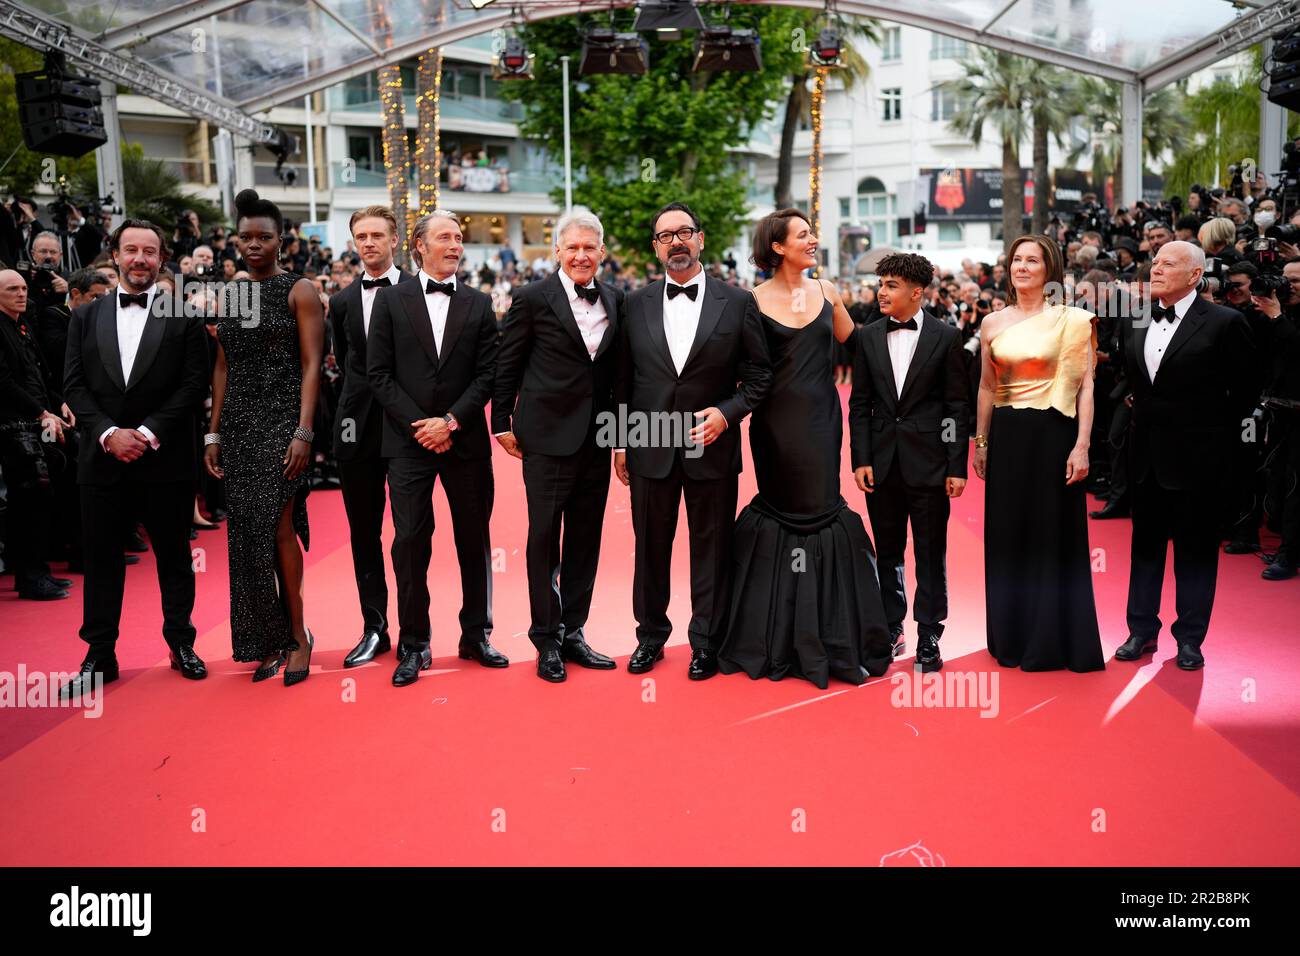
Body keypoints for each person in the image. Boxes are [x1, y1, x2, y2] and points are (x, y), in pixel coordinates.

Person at [715, 209, 891, 687]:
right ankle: (778, 639)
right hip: (774, 425)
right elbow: (745, 370)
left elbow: (862, 350)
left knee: (822, 506)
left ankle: (830, 637)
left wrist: (911, 326)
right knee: (783, 507)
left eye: (812, 233)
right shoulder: (750, 301)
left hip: (821, 422)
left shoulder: (828, 292)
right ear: (777, 246)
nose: (813, 239)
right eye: (803, 234)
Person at [614, 202, 772, 680]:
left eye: (685, 232)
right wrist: (621, 442)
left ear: (701, 239)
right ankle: (650, 637)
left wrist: (727, 416)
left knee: (712, 548)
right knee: (651, 548)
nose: (676, 241)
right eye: (666, 235)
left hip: (712, 445)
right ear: (656, 248)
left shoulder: (739, 301)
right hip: (649, 444)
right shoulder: (633, 303)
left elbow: (761, 376)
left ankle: (706, 641)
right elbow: (624, 378)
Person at [58, 220, 210, 697]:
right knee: (101, 560)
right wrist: (107, 434)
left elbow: (193, 386)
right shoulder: (85, 316)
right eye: (131, 250)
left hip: (163, 459)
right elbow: (73, 385)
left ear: (161, 258)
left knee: (174, 557)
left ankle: (181, 643)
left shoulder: (182, 316)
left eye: (149, 251)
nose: (140, 258)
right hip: (101, 460)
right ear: (115, 255)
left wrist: (145, 433)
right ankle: (99, 654)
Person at [367, 210, 503, 687]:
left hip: (464, 441)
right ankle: (414, 643)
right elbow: (377, 373)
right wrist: (418, 425)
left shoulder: (480, 303)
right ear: (419, 246)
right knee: (408, 543)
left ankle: (476, 635)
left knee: (474, 540)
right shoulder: (389, 300)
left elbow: (489, 374)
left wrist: (450, 421)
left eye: (459, 238)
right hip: (407, 444)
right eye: (445, 237)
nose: (455, 245)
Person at [493, 207, 621, 683]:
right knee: (544, 539)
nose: (581, 255)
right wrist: (500, 420)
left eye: (589, 247)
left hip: (597, 440)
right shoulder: (532, 298)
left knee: (586, 539)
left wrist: (623, 438)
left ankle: (574, 631)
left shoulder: (616, 299)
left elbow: (619, 376)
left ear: (602, 253)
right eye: (573, 248)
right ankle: (545, 638)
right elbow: (509, 362)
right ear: (558, 253)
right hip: (544, 438)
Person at [1115, 241, 1256, 670]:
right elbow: (1134, 379)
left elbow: (1245, 392)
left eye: (1168, 264)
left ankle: (1190, 639)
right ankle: (1140, 630)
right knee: (1145, 549)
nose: (1156, 269)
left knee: (1195, 553)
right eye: (1154, 262)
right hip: (1145, 458)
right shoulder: (1134, 317)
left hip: (1200, 461)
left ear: (1195, 275)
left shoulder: (1225, 323)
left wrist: (1209, 435)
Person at [203, 190, 324, 685]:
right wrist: (213, 431)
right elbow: (223, 365)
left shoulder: (300, 290)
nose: (254, 245)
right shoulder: (231, 292)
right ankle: (268, 637)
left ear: (281, 240)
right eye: (246, 237)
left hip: (282, 423)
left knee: (278, 529)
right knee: (248, 535)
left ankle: (298, 636)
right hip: (239, 425)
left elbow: (313, 364)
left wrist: (303, 430)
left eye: (264, 237)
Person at [973, 234, 1103, 672]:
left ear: (1050, 271)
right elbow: (988, 387)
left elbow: (1086, 389)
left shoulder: (1073, 319)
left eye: (1032, 260)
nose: (1022, 267)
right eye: (1016, 260)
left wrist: (1082, 445)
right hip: (1008, 437)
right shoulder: (992, 322)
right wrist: (982, 441)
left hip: (1055, 435)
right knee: (1008, 534)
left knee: (1051, 535)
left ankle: (1053, 638)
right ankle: (1010, 635)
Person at [849, 252, 969, 672]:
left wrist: (956, 464)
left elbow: (957, 407)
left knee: (931, 551)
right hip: (880, 464)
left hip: (932, 465)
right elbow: (859, 403)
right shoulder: (866, 337)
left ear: (916, 292)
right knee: (888, 551)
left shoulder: (947, 337)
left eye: (891, 286)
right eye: (880, 285)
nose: (880, 292)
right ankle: (890, 626)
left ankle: (929, 635)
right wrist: (860, 458)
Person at [328, 205, 416, 668]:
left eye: (377, 235)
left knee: (408, 534)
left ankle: (412, 633)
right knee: (364, 533)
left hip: (405, 429)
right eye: (360, 236)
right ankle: (374, 627)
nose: (368, 243)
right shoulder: (341, 302)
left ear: (395, 239)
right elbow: (347, 364)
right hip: (355, 428)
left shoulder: (416, 290)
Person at [0, 269, 73, 600]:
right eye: (12, 288)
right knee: (28, 495)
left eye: (23, 288)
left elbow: (40, 373)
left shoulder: (24, 325)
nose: (20, 293)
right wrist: (41, 412)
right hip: (14, 426)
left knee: (42, 493)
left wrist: (59, 403)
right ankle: (31, 576)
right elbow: (3, 382)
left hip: (38, 422)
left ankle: (37, 570)